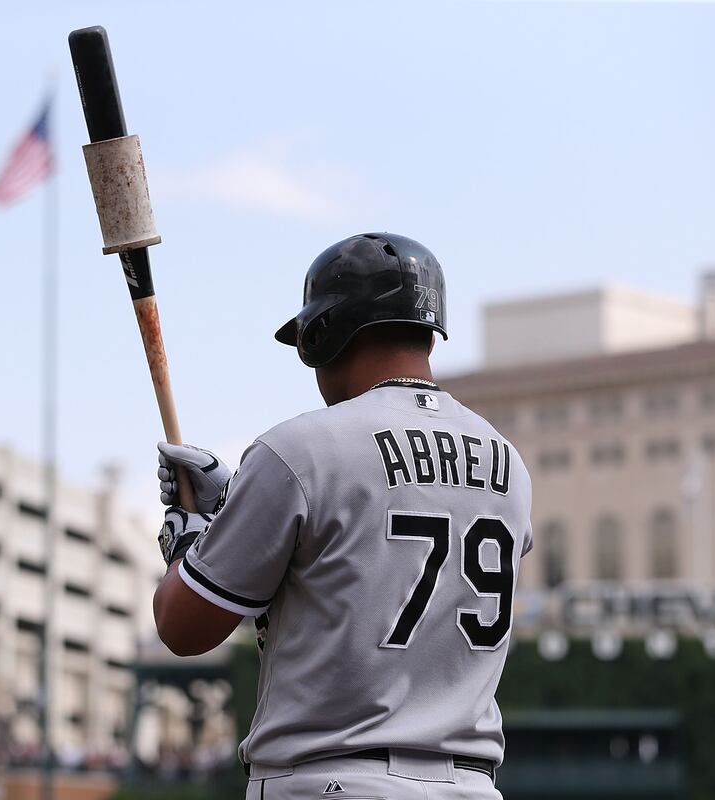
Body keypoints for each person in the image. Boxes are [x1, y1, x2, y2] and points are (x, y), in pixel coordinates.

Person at [153, 233, 533, 800]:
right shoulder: (508, 462)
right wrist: (237, 501)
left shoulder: (298, 449)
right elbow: (372, 538)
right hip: (470, 786)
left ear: (325, 334)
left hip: (332, 780)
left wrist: (191, 545)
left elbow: (183, 628)